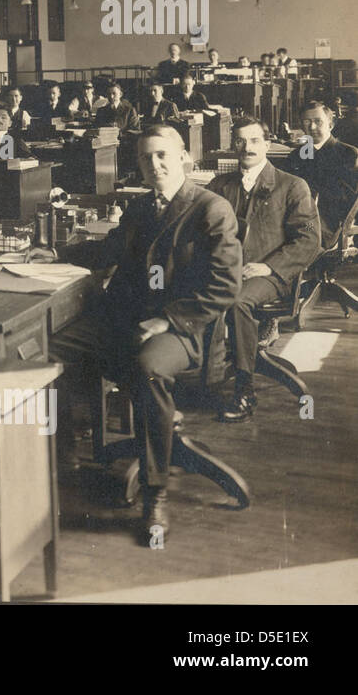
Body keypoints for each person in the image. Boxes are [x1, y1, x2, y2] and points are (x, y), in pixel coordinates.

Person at [58, 125, 241, 543]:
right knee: (51, 349)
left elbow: (225, 287)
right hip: (127, 320)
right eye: (145, 158)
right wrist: (54, 253)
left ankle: (155, 494)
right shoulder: (141, 209)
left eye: (162, 155)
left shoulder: (211, 208)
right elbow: (109, 251)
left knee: (149, 369)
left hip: (185, 327)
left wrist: (167, 321)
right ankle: (63, 458)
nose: (154, 164)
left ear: (183, 158)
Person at [207, 118, 319, 423]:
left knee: (238, 301)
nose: (247, 148)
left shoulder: (292, 185)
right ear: (233, 146)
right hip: (225, 272)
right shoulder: (220, 185)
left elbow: (309, 239)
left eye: (255, 140)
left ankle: (244, 389)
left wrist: (267, 266)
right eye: (241, 141)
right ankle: (207, 373)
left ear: (267, 145)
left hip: (271, 275)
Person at [283, 101, 358, 248]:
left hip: (328, 222)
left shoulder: (349, 154)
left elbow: (347, 200)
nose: (312, 127)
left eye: (318, 121)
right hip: (296, 217)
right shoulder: (296, 156)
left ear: (331, 124)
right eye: (307, 121)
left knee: (299, 237)